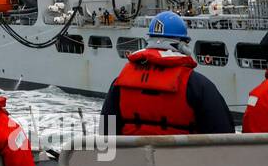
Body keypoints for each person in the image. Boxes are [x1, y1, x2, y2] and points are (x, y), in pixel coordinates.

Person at [101, 10, 235, 135]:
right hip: (182, 158)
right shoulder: (198, 85)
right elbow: (224, 133)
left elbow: (106, 134)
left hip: (133, 158)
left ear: (149, 40)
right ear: (183, 44)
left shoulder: (120, 83)